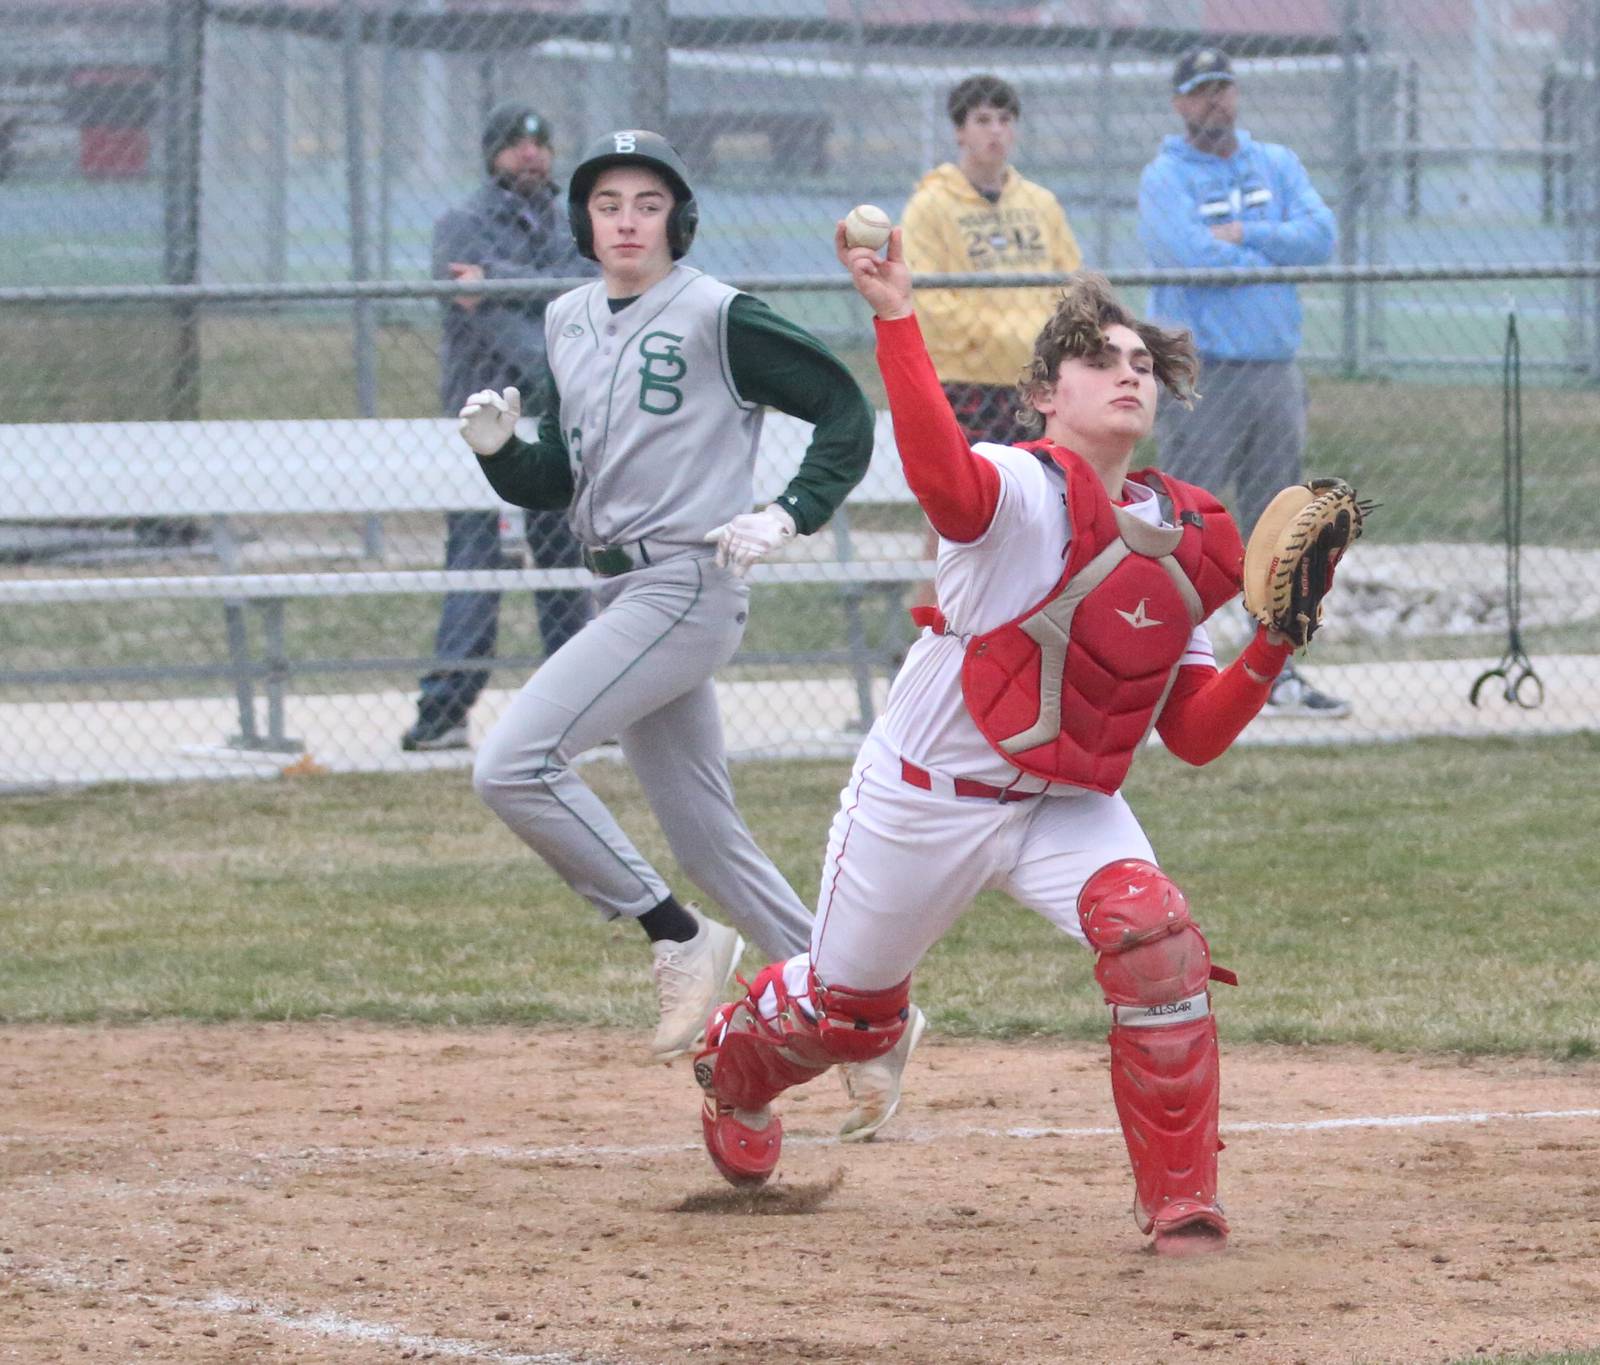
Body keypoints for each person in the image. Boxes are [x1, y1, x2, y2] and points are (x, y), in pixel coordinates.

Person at [690, 230, 1343, 1257]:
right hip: (924, 795)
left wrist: (1274, 641)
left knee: (1154, 936)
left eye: (1139, 364)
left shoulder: (1178, 535)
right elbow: (943, 483)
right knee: (849, 1017)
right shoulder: (1015, 486)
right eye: (1099, 361)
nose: (1125, 374)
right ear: (1045, 393)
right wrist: (897, 316)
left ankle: (1181, 1204)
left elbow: (1194, 734)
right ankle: (733, 1070)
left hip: (1063, 805)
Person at [455, 130, 923, 1139]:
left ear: (678, 219)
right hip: (619, 590)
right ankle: (872, 1019)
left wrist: (789, 511)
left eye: (647, 201)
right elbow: (562, 484)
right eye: (608, 200)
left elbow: (842, 409)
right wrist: (501, 457)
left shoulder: (718, 313)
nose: (626, 218)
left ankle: (675, 937)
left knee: (511, 764)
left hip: (686, 581)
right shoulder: (567, 319)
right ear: (584, 221)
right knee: (712, 843)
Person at [1137, 46, 1348, 719]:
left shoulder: (1276, 163)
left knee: (1281, 528)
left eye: (1223, 88)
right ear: (1179, 103)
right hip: (1202, 375)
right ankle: (1169, 670)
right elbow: (1190, 256)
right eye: (1200, 91)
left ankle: (1274, 673)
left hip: (1273, 367)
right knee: (1190, 525)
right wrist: (1260, 250)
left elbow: (1320, 236)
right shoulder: (1165, 176)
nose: (1215, 101)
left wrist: (1246, 233)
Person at [401, 103, 596, 752]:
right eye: (515, 145)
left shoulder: (576, 224)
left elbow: (591, 289)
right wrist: (550, 356)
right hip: (483, 419)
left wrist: (502, 281)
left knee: (566, 561)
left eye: (539, 144)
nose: (531, 155)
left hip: (557, 423)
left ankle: (581, 710)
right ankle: (444, 710)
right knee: (476, 561)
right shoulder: (463, 223)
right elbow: (471, 307)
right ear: (492, 155)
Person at [900, 73, 1084, 606]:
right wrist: (1019, 339)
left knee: (1043, 514)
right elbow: (933, 307)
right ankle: (927, 636)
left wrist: (1045, 349)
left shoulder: (1041, 204)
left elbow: (1071, 286)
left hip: (1037, 389)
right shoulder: (931, 207)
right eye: (982, 120)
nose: (995, 133)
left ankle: (1022, 628)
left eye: (1004, 120)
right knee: (952, 521)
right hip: (967, 384)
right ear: (959, 131)